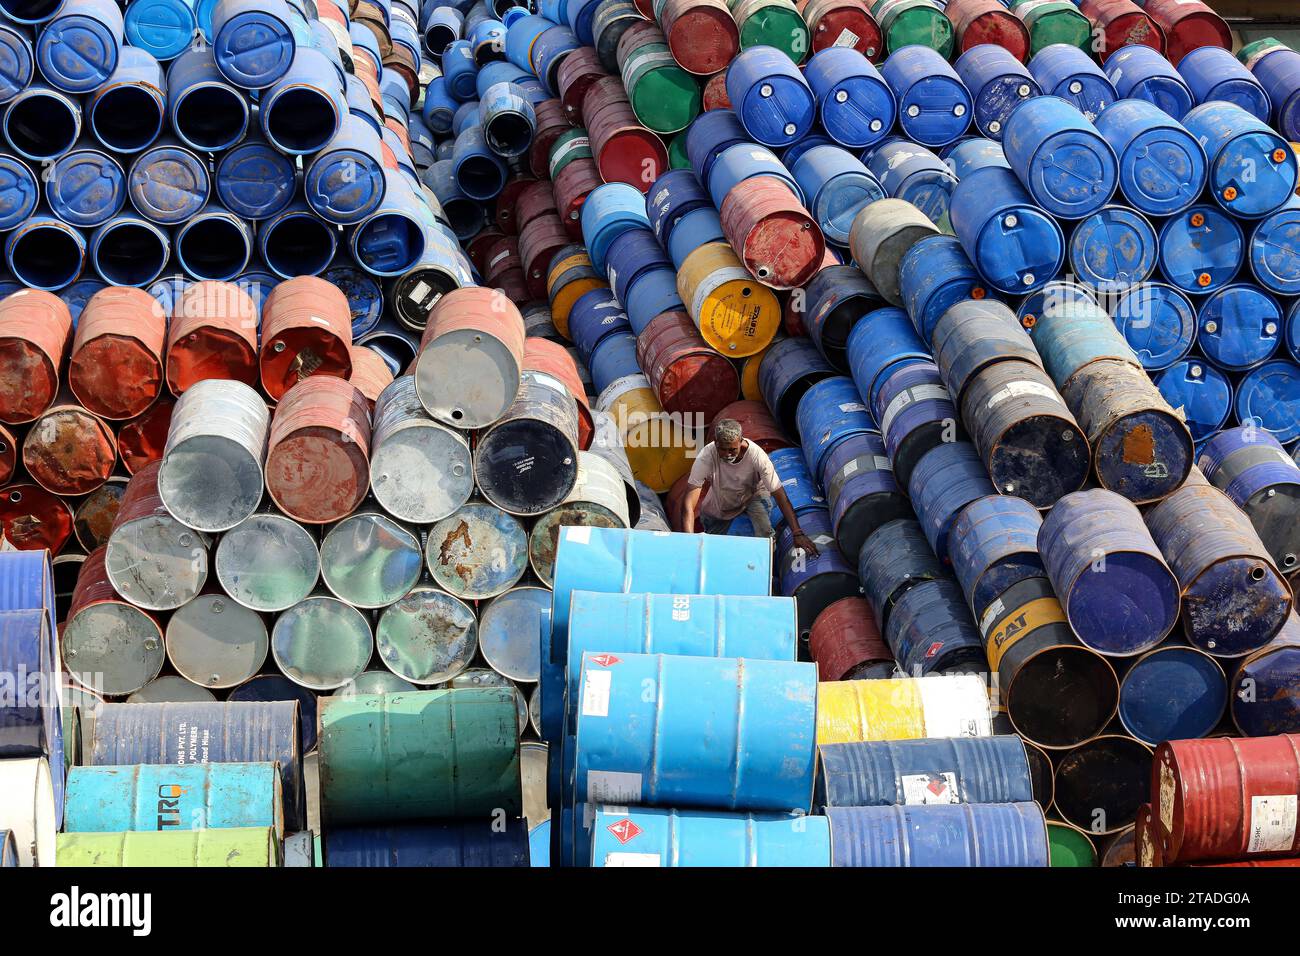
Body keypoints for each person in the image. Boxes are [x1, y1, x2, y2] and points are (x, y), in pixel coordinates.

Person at [678, 418, 819, 555]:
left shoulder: (758, 457)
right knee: (713, 545)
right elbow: (689, 504)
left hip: (753, 494)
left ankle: (765, 566)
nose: (727, 454)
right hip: (723, 497)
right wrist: (689, 541)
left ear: (741, 441)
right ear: (715, 443)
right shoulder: (706, 457)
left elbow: (781, 496)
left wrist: (797, 532)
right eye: (723, 449)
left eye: (732, 450)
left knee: (765, 534)